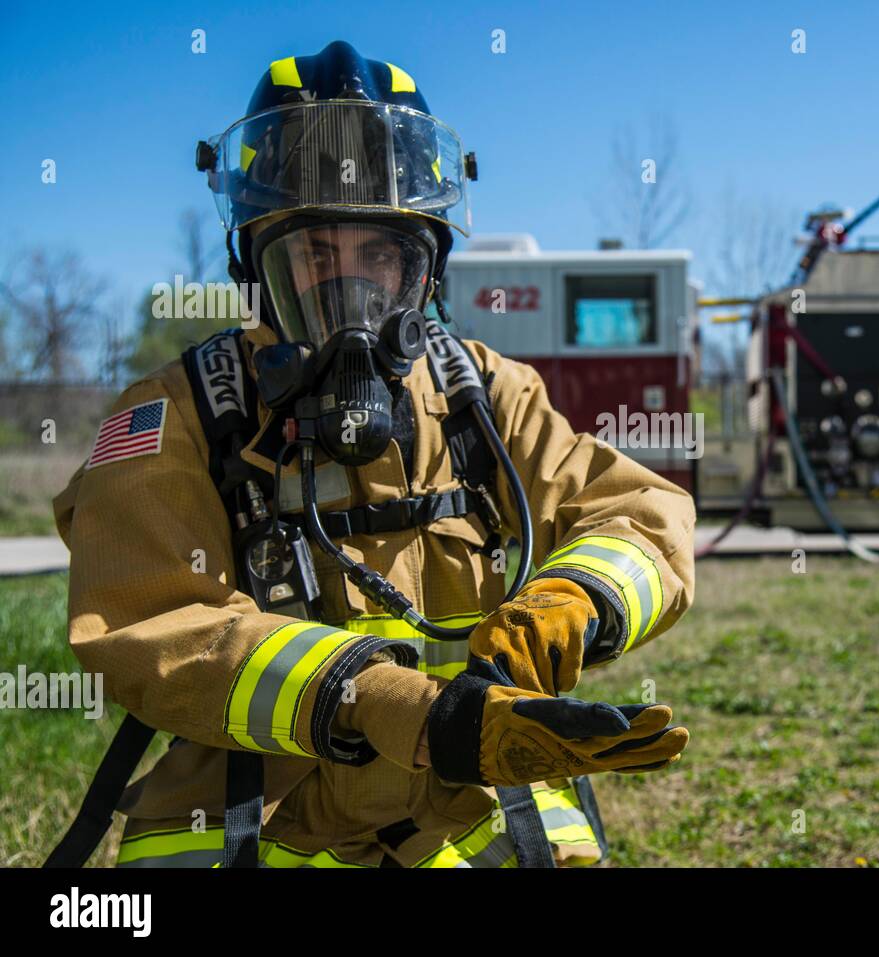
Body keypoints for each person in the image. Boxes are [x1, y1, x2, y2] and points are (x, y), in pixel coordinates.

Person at [48, 40, 694, 869]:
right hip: (255, 823)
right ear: (257, 268)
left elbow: (645, 514)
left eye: (379, 255)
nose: (348, 291)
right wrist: (386, 702)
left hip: (469, 811)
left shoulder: (483, 393)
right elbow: (146, 619)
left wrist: (572, 600)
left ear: (424, 271)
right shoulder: (178, 413)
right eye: (314, 254)